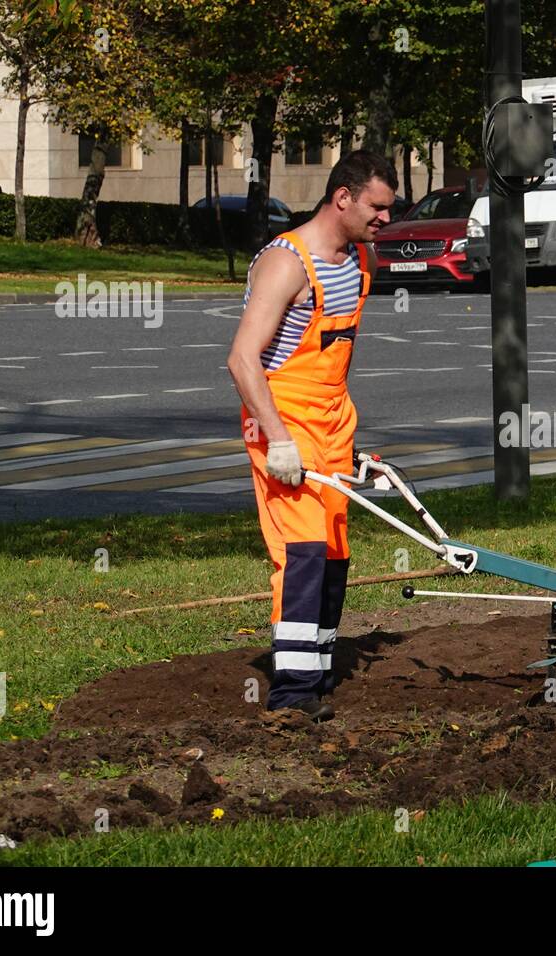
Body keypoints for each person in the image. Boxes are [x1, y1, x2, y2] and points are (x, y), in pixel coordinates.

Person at [226, 149, 398, 722]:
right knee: (300, 550)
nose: (384, 220)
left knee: (331, 550)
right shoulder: (286, 262)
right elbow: (243, 361)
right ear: (343, 197)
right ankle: (293, 694)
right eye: (377, 207)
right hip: (283, 420)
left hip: (330, 421)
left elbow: (336, 360)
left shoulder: (358, 262)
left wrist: (346, 436)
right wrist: (278, 440)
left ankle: (318, 667)